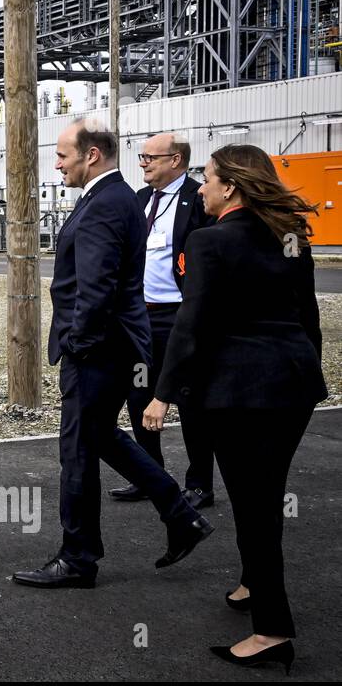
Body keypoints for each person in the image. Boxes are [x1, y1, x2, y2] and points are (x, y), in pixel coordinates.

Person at [145, 144, 324, 674]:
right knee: (263, 494)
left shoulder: (209, 241)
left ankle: (272, 631)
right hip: (292, 386)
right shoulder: (291, 237)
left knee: (255, 506)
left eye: (208, 178)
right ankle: (252, 582)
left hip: (241, 393)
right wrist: (306, 373)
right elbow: (308, 318)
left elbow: (191, 323)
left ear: (231, 187)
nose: (201, 187)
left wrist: (162, 394)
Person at [13, 120, 213, 589]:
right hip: (113, 346)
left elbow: (96, 288)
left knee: (77, 451)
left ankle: (78, 558)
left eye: (62, 156)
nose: (57, 165)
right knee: (100, 436)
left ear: (92, 156)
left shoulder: (105, 204)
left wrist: (77, 345)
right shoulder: (118, 197)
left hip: (99, 350)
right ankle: (180, 513)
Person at [112, 132, 216, 508]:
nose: (143, 163)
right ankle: (150, 476)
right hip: (141, 317)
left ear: (175, 160)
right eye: (141, 157)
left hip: (179, 315)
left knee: (188, 398)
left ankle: (200, 484)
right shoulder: (140, 199)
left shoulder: (198, 198)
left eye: (150, 158)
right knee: (139, 393)